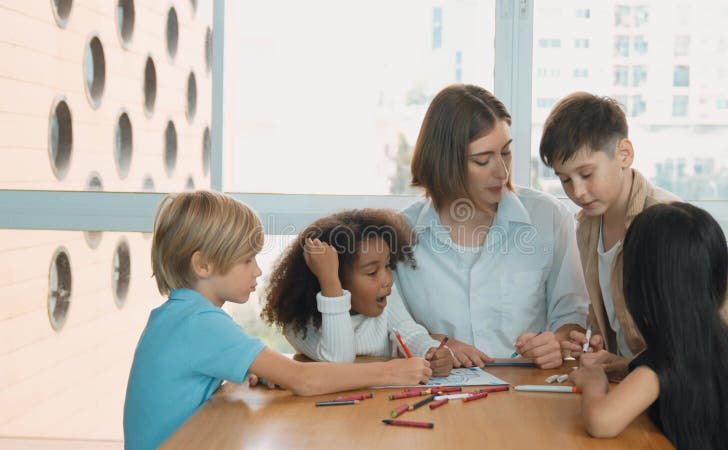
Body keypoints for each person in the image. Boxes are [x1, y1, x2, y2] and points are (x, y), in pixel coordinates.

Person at [123, 192, 431, 450]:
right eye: (247, 260)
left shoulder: (177, 316)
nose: (257, 271)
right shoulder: (201, 323)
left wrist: (255, 370)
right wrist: (391, 371)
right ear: (203, 265)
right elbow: (303, 379)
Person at [393, 84, 589, 369]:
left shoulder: (547, 216)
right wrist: (429, 342)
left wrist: (555, 342)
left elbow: (573, 316)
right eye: (482, 160)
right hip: (440, 389)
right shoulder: (400, 234)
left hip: (526, 387)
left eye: (506, 153)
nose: (502, 172)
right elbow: (386, 329)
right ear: (444, 163)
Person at [539, 92, 728, 373]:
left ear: (624, 154)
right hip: (629, 384)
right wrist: (598, 348)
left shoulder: (670, 225)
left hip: (679, 390)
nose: (577, 192)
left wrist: (625, 366)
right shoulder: (586, 226)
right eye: (565, 180)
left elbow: (702, 348)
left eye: (586, 174)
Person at [569, 202, 728, 450]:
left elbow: (601, 422)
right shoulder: (720, 344)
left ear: (643, 287)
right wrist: (626, 366)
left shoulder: (665, 363)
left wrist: (593, 383)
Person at [262, 209, 454, 377]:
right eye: (372, 272)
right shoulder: (300, 324)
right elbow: (339, 362)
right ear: (336, 278)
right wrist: (330, 283)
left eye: (388, 265)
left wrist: (430, 351)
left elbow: (409, 332)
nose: (388, 279)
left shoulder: (387, 300)